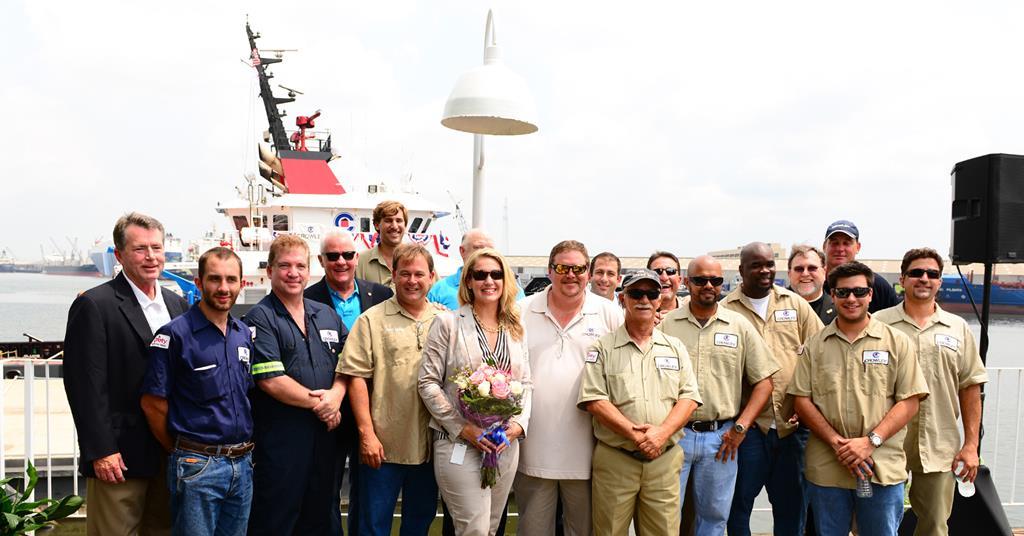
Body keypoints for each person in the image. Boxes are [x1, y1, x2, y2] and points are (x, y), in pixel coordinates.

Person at [63, 212, 187, 536]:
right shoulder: (95, 305)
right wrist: (101, 450)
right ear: (119, 255)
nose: (151, 257)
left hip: (169, 451)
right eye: (140, 249)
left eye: (157, 248)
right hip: (119, 458)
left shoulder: (178, 305)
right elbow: (85, 385)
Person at [789, 261, 929, 536]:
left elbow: (910, 400)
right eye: (842, 293)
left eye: (858, 291)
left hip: (881, 465)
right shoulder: (815, 345)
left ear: (870, 294)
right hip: (829, 465)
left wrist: (870, 441)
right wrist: (837, 443)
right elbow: (801, 400)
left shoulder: (897, 342)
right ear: (833, 294)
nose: (851, 299)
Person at [659, 255, 778, 536]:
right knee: (666, 516)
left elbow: (765, 381)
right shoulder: (667, 326)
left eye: (715, 280)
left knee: (714, 518)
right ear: (687, 282)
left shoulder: (738, 326)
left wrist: (741, 427)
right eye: (700, 280)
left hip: (722, 438)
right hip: (677, 435)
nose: (708, 286)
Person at [578, 268, 701, 535]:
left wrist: (661, 434)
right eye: (636, 293)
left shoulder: (675, 347)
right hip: (616, 461)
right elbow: (595, 400)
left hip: (664, 462)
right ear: (623, 299)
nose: (644, 299)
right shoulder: (601, 348)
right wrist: (638, 436)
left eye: (651, 293)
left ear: (660, 299)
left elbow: (689, 398)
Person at [141, 247, 254, 536]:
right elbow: (153, 403)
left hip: (241, 466)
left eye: (231, 279)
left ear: (242, 283)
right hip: (198, 466)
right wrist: (182, 451)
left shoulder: (242, 334)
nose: (224, 288)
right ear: (199, 283)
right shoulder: (174, 335)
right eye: (215, 279)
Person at [874, 248, 988, 536]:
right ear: (902, 279)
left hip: (940, 443)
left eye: (932, 274)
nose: (923, 278)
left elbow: (970, 387)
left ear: (939, 281)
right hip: (886, 442)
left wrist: (971, 445)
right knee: (876, 524)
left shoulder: (958, 328)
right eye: (916, 273)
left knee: (935, 526)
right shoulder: (879, 324)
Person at [419, 248, 532, 536]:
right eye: (480, 274)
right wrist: (463, 428)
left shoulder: (515, 327)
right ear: (468, 281)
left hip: (504, 444)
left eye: (496, 274)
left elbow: (527, 383)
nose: (488, 281)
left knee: (491, 528)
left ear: (506, 281)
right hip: (459, 443)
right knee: (474, 529)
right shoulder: (447, 323)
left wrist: (518, 427)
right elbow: (428, 383)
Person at [515, 241, 624, 536]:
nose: (571, 275)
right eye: (563, 268)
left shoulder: (608, 313)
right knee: (532, 529)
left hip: (589, 449)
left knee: (585, 530)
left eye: (578, 269)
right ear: (550, 271)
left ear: (587, 273)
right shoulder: (523, 311)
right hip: (532, 449)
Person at [245, 235, 348, 535]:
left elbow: (347, 365)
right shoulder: (260, 318)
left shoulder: (326, 314)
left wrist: (337, 396)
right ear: (270, 270)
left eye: (300, 266)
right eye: (285, 266)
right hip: (281, 442)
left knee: (322, 517)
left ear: (309, 270)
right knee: (277, 517)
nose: (293, 273)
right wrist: (324, 405)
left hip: (326, 439)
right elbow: (271, 381)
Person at [338, 243, 441, 535]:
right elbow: (356, 377)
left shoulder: (445, 321)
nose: (412, 280)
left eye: (419, 274)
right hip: (383, 447)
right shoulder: (371, 320)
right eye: (404, 273)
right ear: (393, 276)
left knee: (419, 524)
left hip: (431, 447)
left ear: (432, 277)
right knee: (373, 526)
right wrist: (366, 434)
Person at [722, 243, 824, 536]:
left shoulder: (795, 305)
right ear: (742, 270)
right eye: (756, 265)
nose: (765, 270)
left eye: (769, 264)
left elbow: (821, 357)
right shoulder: (727, 311)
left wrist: (811, 408)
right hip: (748, 429)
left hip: (792, 429)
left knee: (792, 510)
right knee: (737, 508)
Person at [305, 230, 393, 534]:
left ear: (357, 258)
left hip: (372, 406)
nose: (340, 261)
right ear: (321, 260)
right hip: (327, 408)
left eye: (347, 255)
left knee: (368, 488)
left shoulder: (381, 295)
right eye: (332, 256)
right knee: (325, 489)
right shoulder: (305, 299)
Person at [428, 228, 524, 310]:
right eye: (479, 248)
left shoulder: (512, 289)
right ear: (462, 251)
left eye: (490, 249)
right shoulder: (439, 289)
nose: (485, 253)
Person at [821, 220, 899, 313]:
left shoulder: (877, 285)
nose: (840, 249)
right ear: (824, 246)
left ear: (858, 247)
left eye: (846, 243)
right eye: (835, 243)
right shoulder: (815, 283)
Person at [356, 200, 407, 286]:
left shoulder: (420, 259)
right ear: (377, 225)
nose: (394, 226)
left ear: (405, 225)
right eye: (388, 220)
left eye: (399, 221)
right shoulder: (360, 262)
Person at [788, 244, 835, 324]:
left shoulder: (839, 310)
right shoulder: (774, 306)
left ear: (824, 272)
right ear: (789, 274)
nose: (805, 274)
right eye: (799, 269)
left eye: (812, 268)